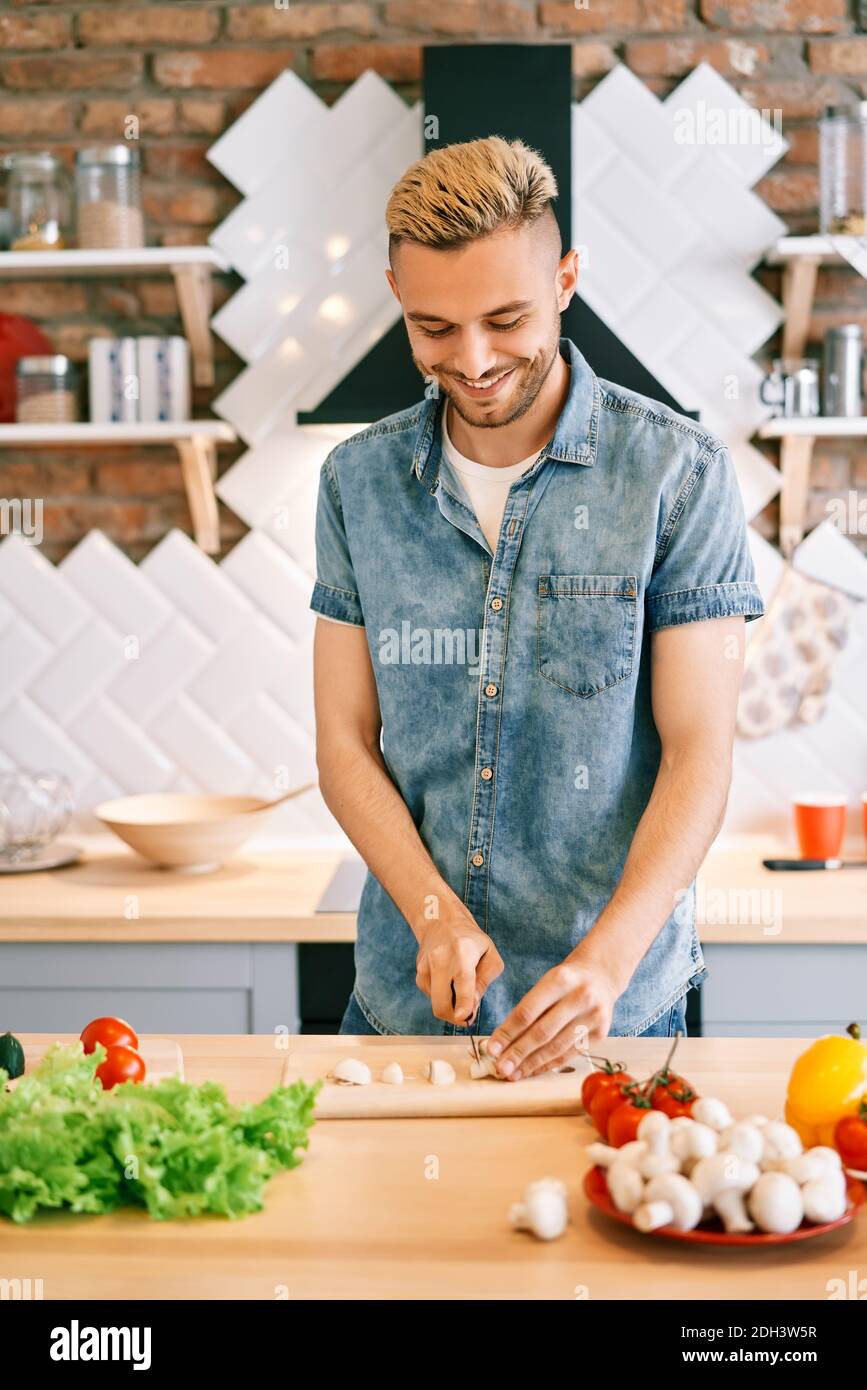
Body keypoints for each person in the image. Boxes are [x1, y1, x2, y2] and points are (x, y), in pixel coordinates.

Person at [310, 135, 763, 1077]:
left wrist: (606, 962)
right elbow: (345, 744)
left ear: (564, 280)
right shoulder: (356, 483)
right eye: (435, 328)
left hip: (616, 1022)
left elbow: (698, 755)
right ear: (397, 294)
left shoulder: (678, 477)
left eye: (505, 318)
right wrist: (432, 913)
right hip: (402, 1013)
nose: (471, 361)